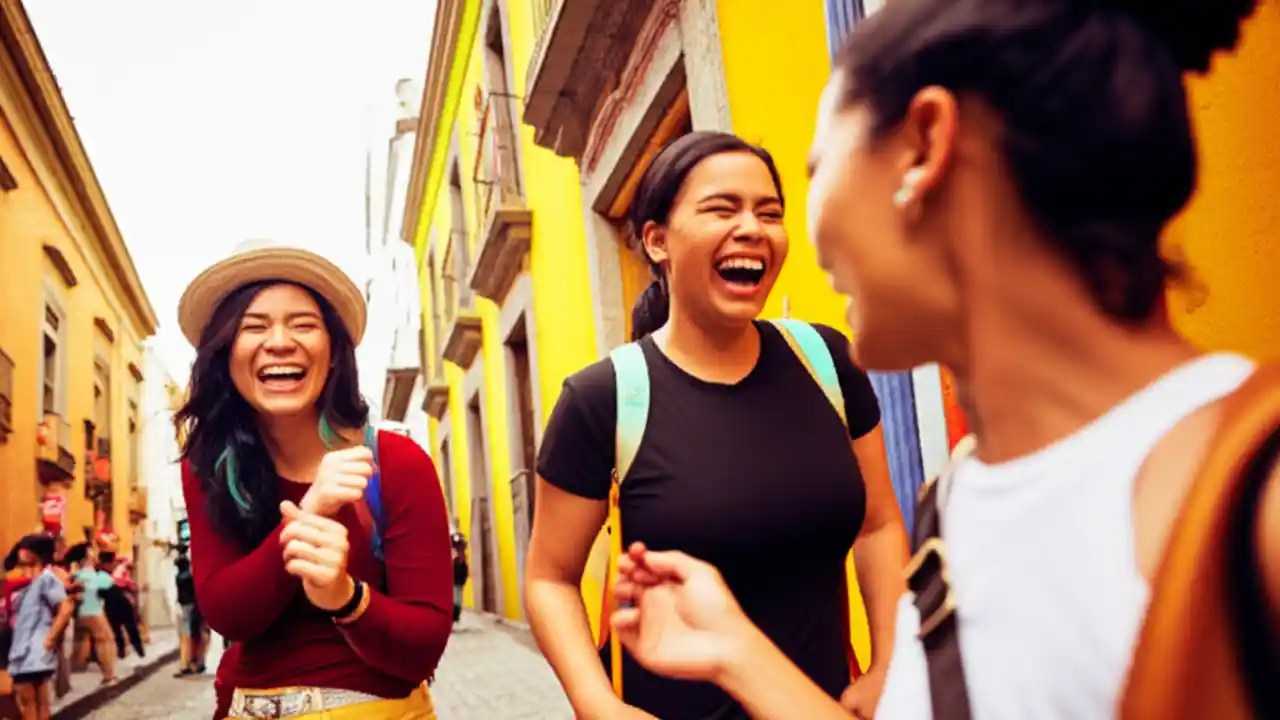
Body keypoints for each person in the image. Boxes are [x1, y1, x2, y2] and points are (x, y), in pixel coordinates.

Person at [606, 1, 1280, 718]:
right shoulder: (954, 503)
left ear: (924, 145)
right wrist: (735, 651)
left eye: (815, 170)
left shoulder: (1257, 504)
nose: (786, 234)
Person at [526, 131, 906, 720]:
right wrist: (595, 702)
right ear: (657, 241)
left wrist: (889, 666)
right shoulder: (602, 399)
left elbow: (878, 526)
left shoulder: (827, 360)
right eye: (722, 209)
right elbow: (550, 577)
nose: (753, 228)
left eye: (769, 212)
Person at [175, 240, 452, 720]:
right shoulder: (210, 465)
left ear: (333, 350)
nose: (279, 342)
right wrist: (309, 516)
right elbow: (226, 613)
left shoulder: (396, 463)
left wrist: (346, 598)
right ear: (226, 352)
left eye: (303, 324)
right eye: (253, 326)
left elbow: (422, 647)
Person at [6, 535, 74, 720]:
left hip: (31, 650)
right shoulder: (31, 581)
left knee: (28, 702)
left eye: (28, 561)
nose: (24, 567)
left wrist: (51, 637)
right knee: (39, 701)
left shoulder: (46, 579)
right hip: (30, 649)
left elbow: (66, 608)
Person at [70, 556, 115, 683]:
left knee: (92, 640)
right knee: (105, 639)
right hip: (92, 610)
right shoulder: (87, 574)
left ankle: (106, 673)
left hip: (86, 610)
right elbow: (109, 582)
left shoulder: (78, 574)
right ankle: (108, 674)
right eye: (91, 558)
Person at [98, 554, 143, 660]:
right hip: (113, 603)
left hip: (121, 602)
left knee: (129, 627)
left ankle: (137, 648)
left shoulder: (119, 570)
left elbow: (130, 584)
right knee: (117, 629)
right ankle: (123, 650)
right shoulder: (104, 574)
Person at [449, 529, 468, 624]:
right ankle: (454, 616)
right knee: (455, 600)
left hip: (458, 581)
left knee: (457, 600)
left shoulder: (461, 556)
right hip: (451, 581)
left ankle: (455, 615)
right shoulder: (452, 555)